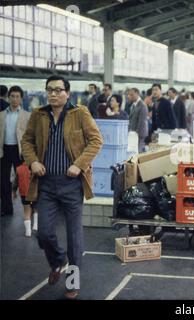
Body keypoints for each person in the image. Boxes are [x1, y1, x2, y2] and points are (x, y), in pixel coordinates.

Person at [21, 75, 103, 299]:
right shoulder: (39, 115)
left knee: (75, 238)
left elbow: (96, 140)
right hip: (46, 184)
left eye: (58, 90)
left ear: (68, 93)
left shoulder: (79, 113)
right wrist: (33, 161)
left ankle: (73, 282)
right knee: (44, 233)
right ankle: (58, 260)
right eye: (49, 90)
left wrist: (79, 164)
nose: (53, 94)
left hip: (72, 185)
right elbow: (27, 141)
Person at [0, 86, 31, 217]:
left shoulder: (27, 115)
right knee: (3, 180)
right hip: (4, 150)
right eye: (12, 96)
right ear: (8, 97)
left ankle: (28, 210)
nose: (14, 99)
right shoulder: (1, 115)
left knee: (23, 180)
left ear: (21, 99)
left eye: (17, 96)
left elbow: (30, 136)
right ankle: (7, 208)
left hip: (20, 151)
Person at [13, 157, 38, 237]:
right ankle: (35, 226)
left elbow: (15, 182)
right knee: (36, 209)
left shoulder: (18, 169)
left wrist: (14, 191)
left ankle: (28, 232)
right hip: (34, 193)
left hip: (24, 194)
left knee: (26, 212)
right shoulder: (35, 169)